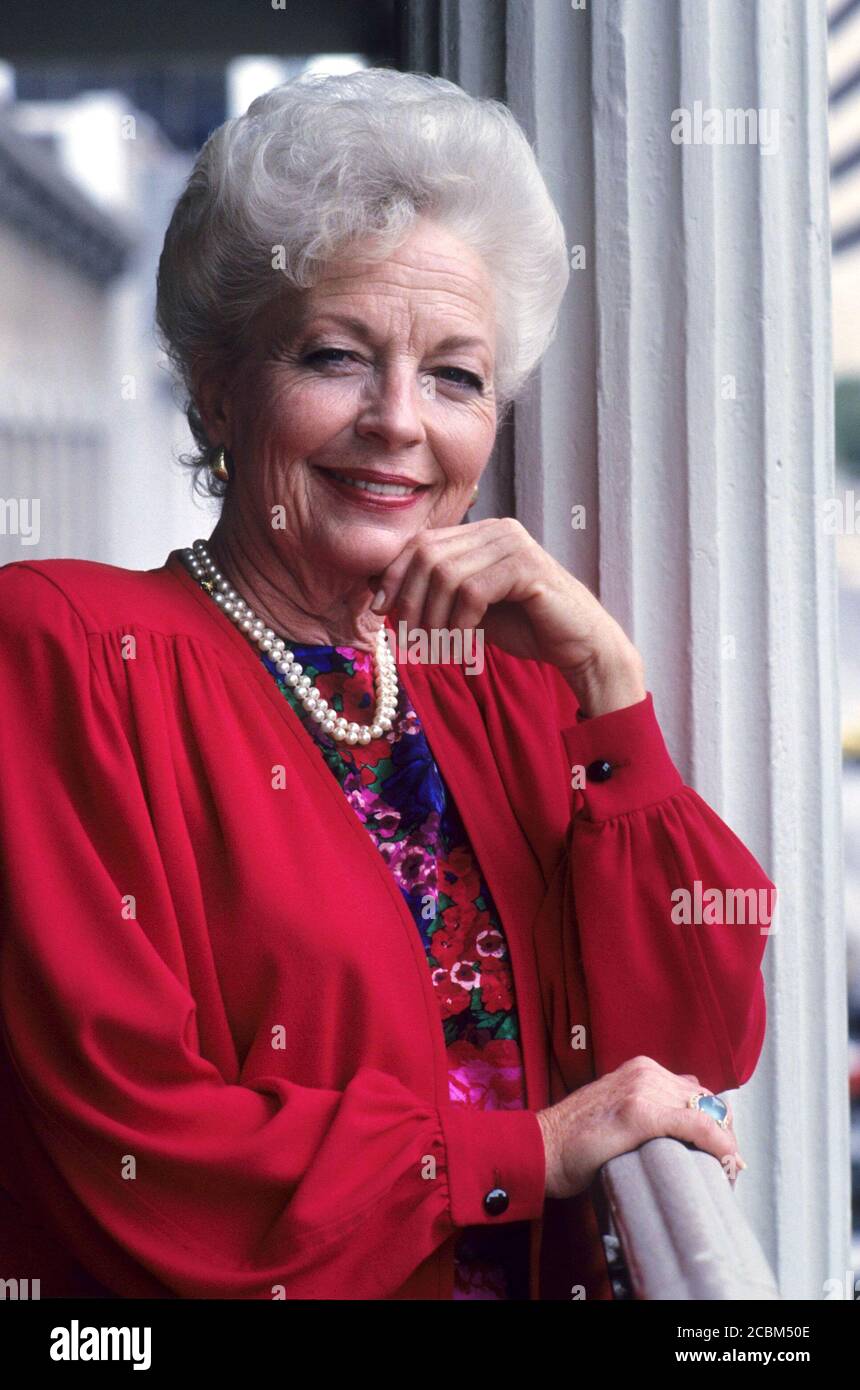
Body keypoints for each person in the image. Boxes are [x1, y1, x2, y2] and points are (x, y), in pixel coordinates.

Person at [0, 68, 772, 1301]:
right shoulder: (66, 650)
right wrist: (531, 1148)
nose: (399, 421)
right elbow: (132, 1142)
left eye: (455, 377)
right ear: (217, 386)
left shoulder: (503, 686)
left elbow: (688, 1052)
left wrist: (606, 685)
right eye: (336, 356)